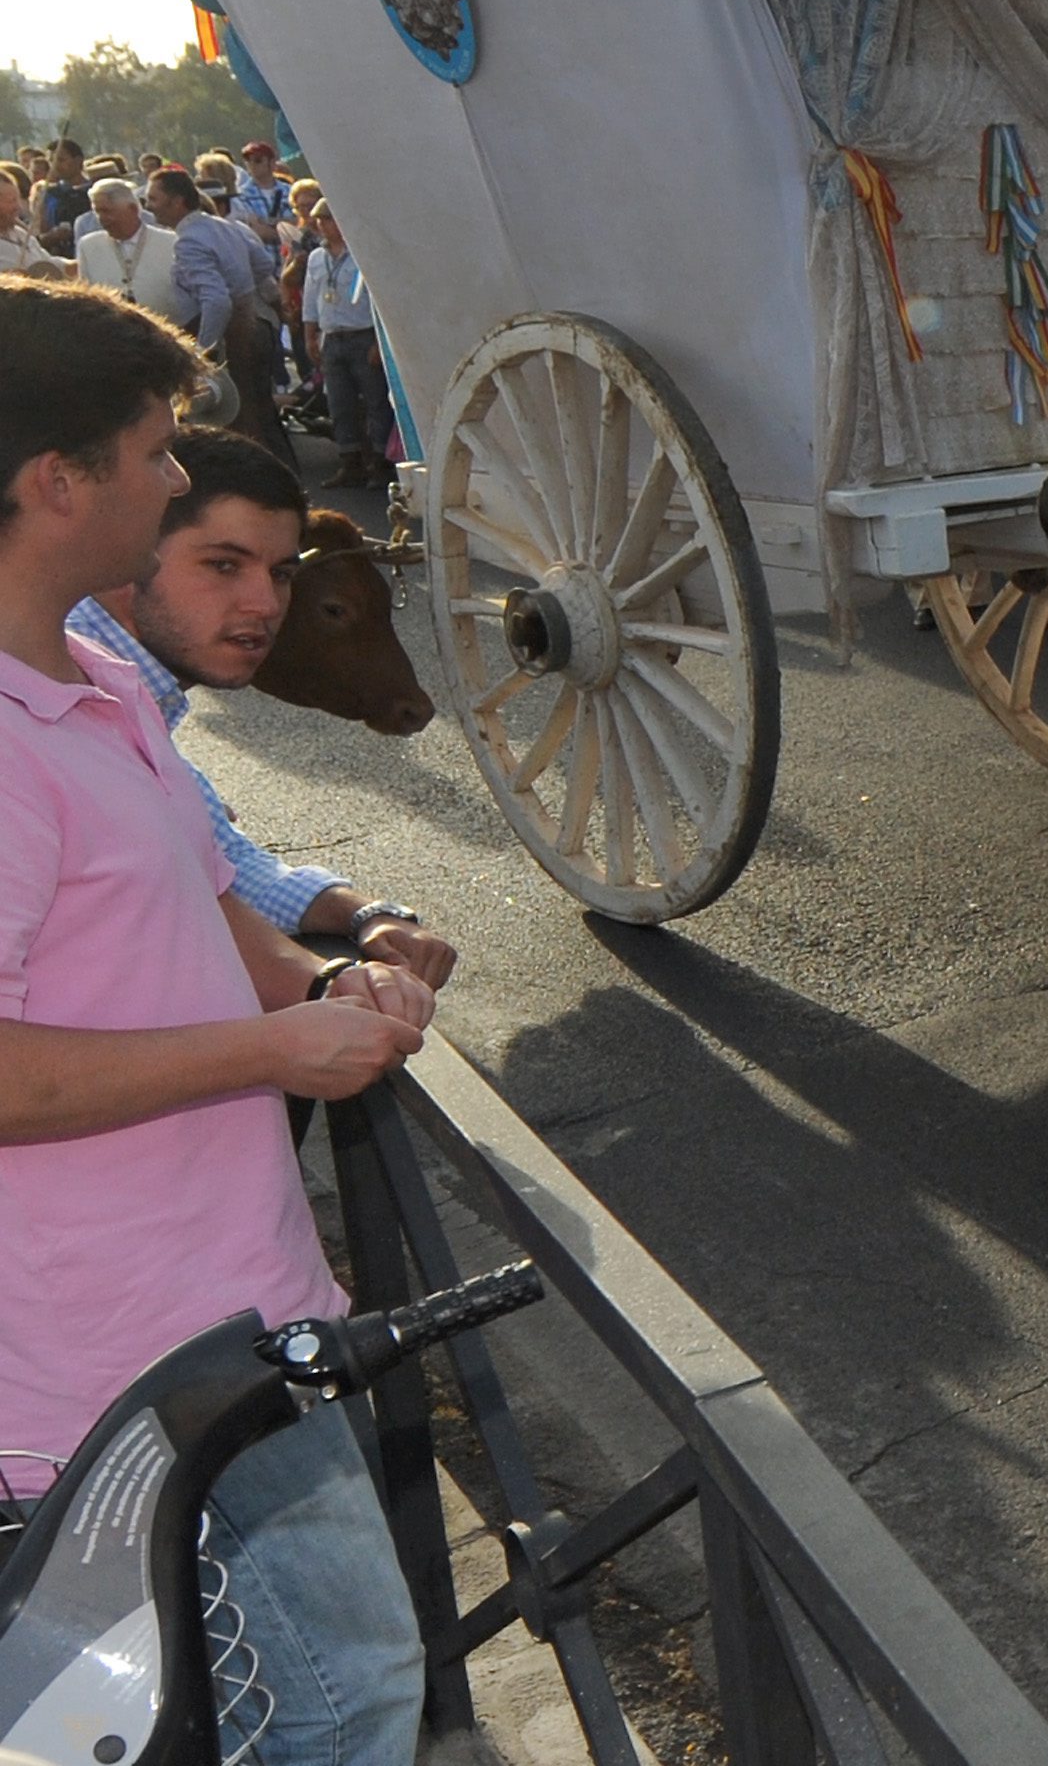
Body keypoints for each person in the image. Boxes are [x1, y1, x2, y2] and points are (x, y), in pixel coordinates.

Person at [0, 278, 436, 1766]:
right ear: (58, 485)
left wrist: (313, 986)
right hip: (124, 1369)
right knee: (341, 1704)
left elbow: (194, 894)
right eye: (155, 454)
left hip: (223, 1306)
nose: (178, 477)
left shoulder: (95, 667)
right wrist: (268, 1051)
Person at [68, 432, 459, 988]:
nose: (267, 605)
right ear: (127, 551)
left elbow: (213, 852)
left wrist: (363, 913)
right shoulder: (63, 695)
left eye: (281, 574)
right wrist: (295, 1024)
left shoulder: (135, 692)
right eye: (223, 565)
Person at [296, 206, 394, 496]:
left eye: (327, 219)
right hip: (333, 336)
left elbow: (378, 299)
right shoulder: (317, 257)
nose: (322, 225)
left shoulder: (361, 255)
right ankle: (350, 459)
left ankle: (379, 461)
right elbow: (310, 300)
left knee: (376, 400)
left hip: (362, 334)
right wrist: (310, 335)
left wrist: (380, 341)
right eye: (320, 220)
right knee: (340, 403)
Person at [74, 173, 183, 318]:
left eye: (107, 211)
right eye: (97, 212)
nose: (101, 218)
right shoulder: (88, 247)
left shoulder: (171, 242)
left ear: (132, 209)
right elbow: (86, 298)